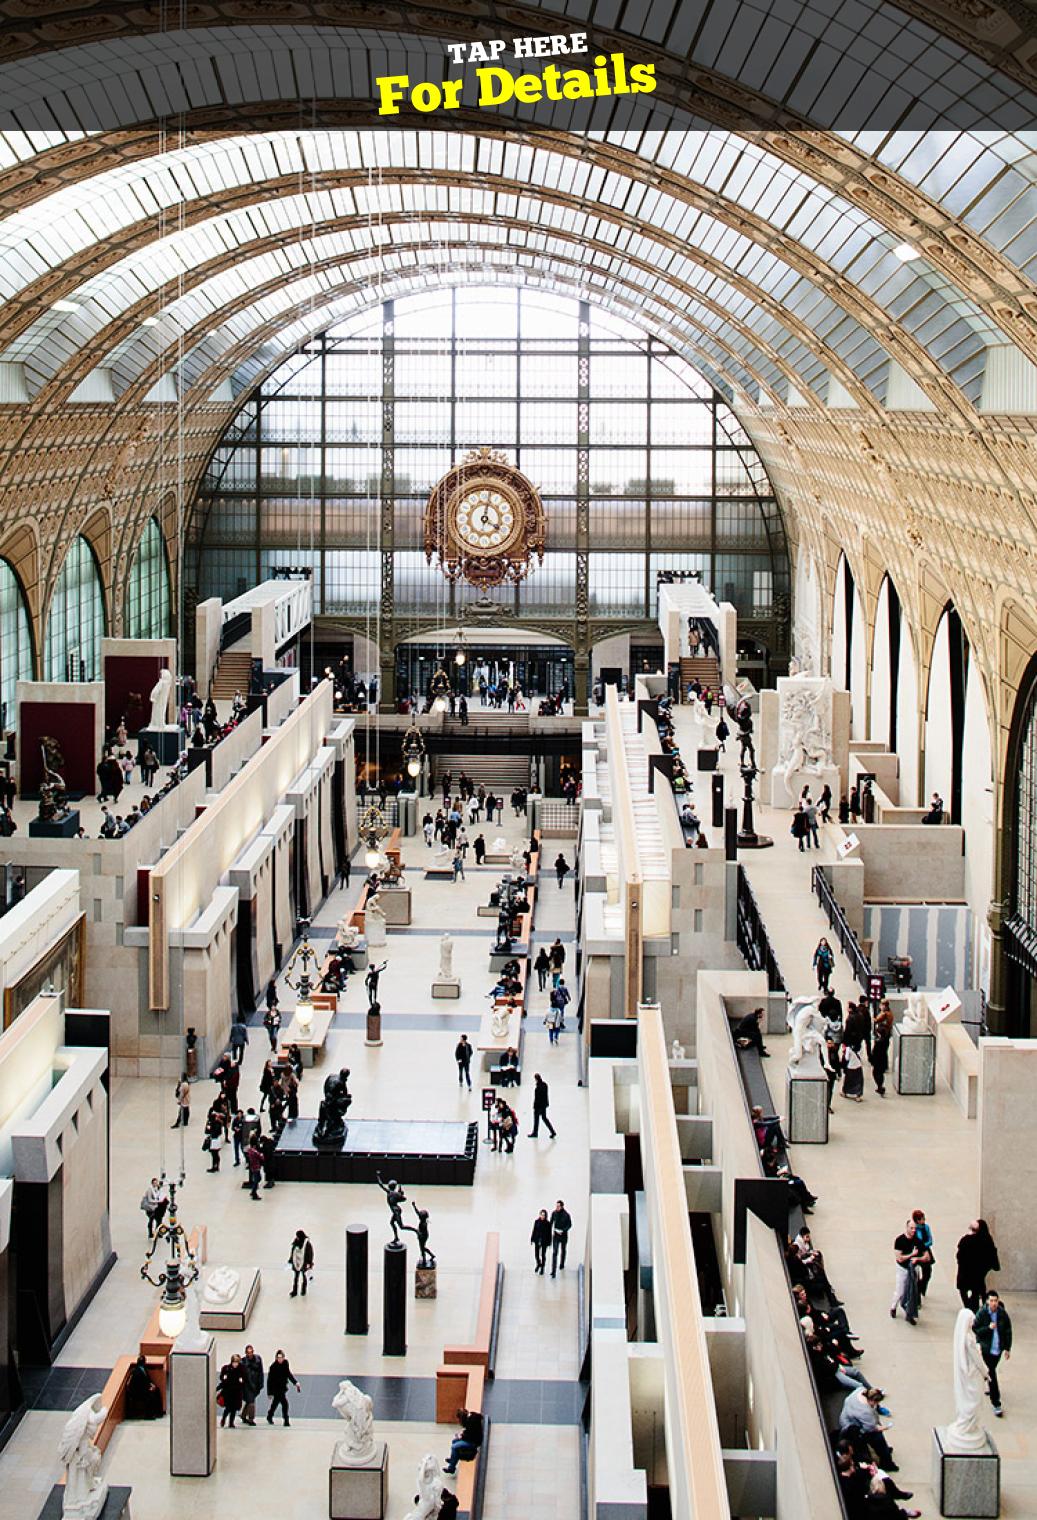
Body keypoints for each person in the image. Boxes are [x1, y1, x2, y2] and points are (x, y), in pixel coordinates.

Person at [838, 1386, 898, 1471]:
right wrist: (884, 1428)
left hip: (845, 1420)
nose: (876, 1405)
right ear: (872, 1401)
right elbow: (870, 1428)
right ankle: (887, 1463)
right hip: (854, 1429)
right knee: (878, 1439)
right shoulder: (866, 1412)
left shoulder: (859, 1390)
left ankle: (885, 1454)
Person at [973, 1290, 1011, 1416]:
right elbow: (976, 1329)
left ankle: (989, 1382)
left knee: (991, 1370)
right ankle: (996, 1403)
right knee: (992, 1372)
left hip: (997, 1350)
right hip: (986, 1349)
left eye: (996, 1300)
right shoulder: (982, 1313)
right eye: (992, 1301)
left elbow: (1007, 1330)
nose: (994, 1303)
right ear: (987, 1301)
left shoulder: (1002, 1314)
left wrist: (1007, 1348)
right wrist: (988, 1328)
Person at [956, 1219, 1001, 1311]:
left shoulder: (966, 1240)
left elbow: (959, 1255)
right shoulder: (986, 1239)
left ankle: (969, 1307)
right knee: (977, 1290)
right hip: (978, 1272)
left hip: (967, 1271)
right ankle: (974, 1307)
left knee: (966, 1290)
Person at [890, 1217, 922, 1324]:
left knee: (912, 1292)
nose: (913, 1230)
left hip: (913, 1269)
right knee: (900, 1291)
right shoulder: (900, 1240)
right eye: (911, 1228)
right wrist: (912, 1255)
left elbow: (924, 1255)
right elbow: (899, 1258)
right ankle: (893, 1307)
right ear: (907, 1228)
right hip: (902, 1268)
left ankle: (909, 1313)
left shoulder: (917, 1240)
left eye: (915, 1228)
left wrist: (918, 1259)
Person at [442, 1406, 484, 1474]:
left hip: (474, 1442)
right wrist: (462, 1435)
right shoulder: (472, 1415)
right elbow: (470, 1431)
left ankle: (451, 1468)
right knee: (454, 1441)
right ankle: (453, 1459)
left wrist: (461, 1436)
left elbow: (470, 1436)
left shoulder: (470, 1422)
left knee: (454, 1447)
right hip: (473, 1438)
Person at [266, 1350, 300, 1426]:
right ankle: (286, 1420)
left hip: (283, 1387)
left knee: (275, 1403)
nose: (280, 1359)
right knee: (285, 1404)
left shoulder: (285, 1363)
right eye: (278, 1358)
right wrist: (270, 1393)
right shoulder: (273, 1367)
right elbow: (269, 1381)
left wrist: (295, 1382)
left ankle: (269, 1415)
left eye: (281, 1358)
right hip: (276, 1388)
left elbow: (288, 1373)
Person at [125, 1353, 163, 1420]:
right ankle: (149, 1415)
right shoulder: (136, 1372)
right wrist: (149, 1388)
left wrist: (152, 1385)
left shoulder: (144, 1369)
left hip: (144, 1388)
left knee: (157, 1390)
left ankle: (158, 1412)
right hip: (138, 1392)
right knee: (150, 1396)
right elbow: (138, 1385)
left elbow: (148, 1380)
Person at [870, 1002, 893, 1096]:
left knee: (876, 1073)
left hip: (878, 1061)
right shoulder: (890, 1014)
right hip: (882, 1059)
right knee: (880, 1073)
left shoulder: (884, 1014)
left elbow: (876, 1020)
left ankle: (880, 1086)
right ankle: (880, 1086)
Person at [217, 1353, 245, 1428]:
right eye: (234, 1362)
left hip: (237, 1393)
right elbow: (222, 1379)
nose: (235, 1364)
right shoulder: (226, 1369)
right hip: (228, 1392)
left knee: (234, 1409)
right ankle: (223, 1419)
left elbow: (244, 1380)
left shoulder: (241, 1369)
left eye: (237, 1362)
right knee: (228, 1408)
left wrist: (242, 1381)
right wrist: (223, 1380)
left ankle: (231, 1423)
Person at [240, 1345, 264, 1425]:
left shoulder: (258, 1359)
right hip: (247, 1385)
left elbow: (261, 1372)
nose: (249, 1354)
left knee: (249, 1401)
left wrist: (261, 1383)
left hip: (256, 1384)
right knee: (251, 1402)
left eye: (251, 1352)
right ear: (246, 1353)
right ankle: (251, 1419)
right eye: (248, 1352)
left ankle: (243, 1415)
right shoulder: (243, 1362)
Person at [529, 1073, 557, 1139]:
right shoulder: (545, 1085)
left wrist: (535, 1106)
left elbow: (537, 1098)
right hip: (544, 1105)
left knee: (536, 1120)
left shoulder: (538, 1087)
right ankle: (552, 1132)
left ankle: (535, 1133)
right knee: (544, 1118)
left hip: (538, 1106)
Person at [289, 1229, 314, 1297]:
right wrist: (291, 1259)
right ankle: (294, 1291)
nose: (296, 1237)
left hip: (304, 1264)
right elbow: (293, 1252)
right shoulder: (295, 1242)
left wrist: (309, 1262)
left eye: (297, 1236)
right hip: (296, 1263)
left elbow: (310, 1253)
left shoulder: (307, 1244)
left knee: (304, 1277)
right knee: (296, 1277)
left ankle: (303, 1291)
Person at [550, 1200, 572, 1277]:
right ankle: (553, 1271)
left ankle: (562, 1264)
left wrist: (563, 1231)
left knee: (563, 1250)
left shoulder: (566, 1215)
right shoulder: (554, 1213)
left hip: (563, 1236)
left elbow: (569, 1225)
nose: (557, 1207)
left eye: (558, 1206)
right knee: (555, 1252)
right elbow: (551, 1223)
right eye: (556, 1206)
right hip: (556, 1235)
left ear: (562, 1207)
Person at [531, 1209, 552, 1275]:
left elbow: (549, 1234)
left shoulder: (548, 1223)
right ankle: (538, 1263)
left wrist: (549, 1242)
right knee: (536, 1255)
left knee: (543, 1255)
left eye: (544, 1215)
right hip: (537, 1240)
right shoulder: (537, 1222)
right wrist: (532, 1239)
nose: (542, 1216)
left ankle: (542, 1267)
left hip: (544, 1241)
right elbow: (534, 1230)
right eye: (541, 1215)